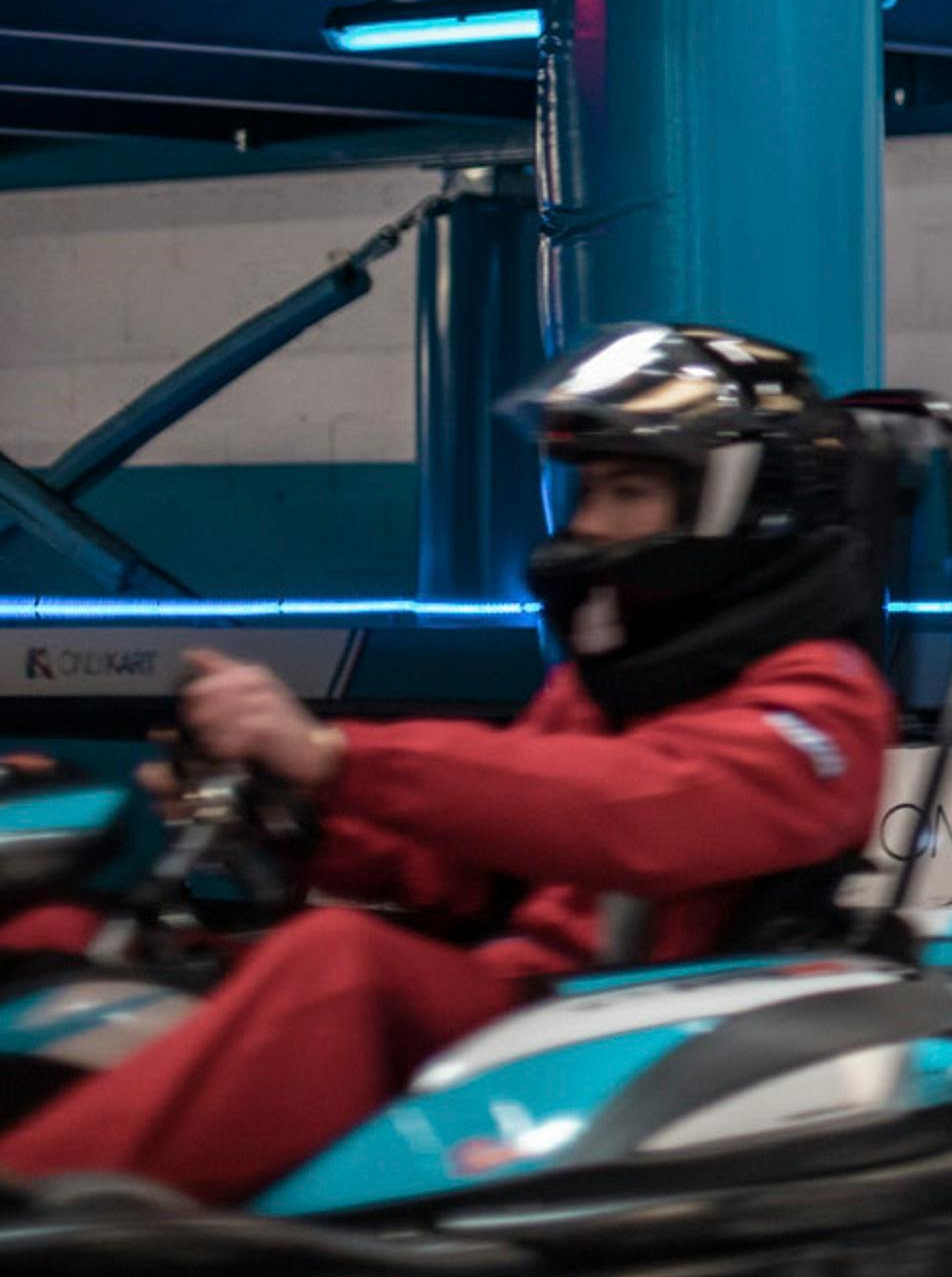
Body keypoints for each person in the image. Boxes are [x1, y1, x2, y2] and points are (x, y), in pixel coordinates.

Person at [0, 323, 901, 1206]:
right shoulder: (611, 685)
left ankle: (34, 1218)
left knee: (343, 963)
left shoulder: (824, 702)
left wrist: (335, 756)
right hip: (517, 1003)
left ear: (738, 505)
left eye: (625, 491)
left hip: (609, 1027)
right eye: (584, 490)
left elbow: (638, 813)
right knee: (60, 941)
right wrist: (295, 816)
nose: (587, 524)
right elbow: (468, 863)